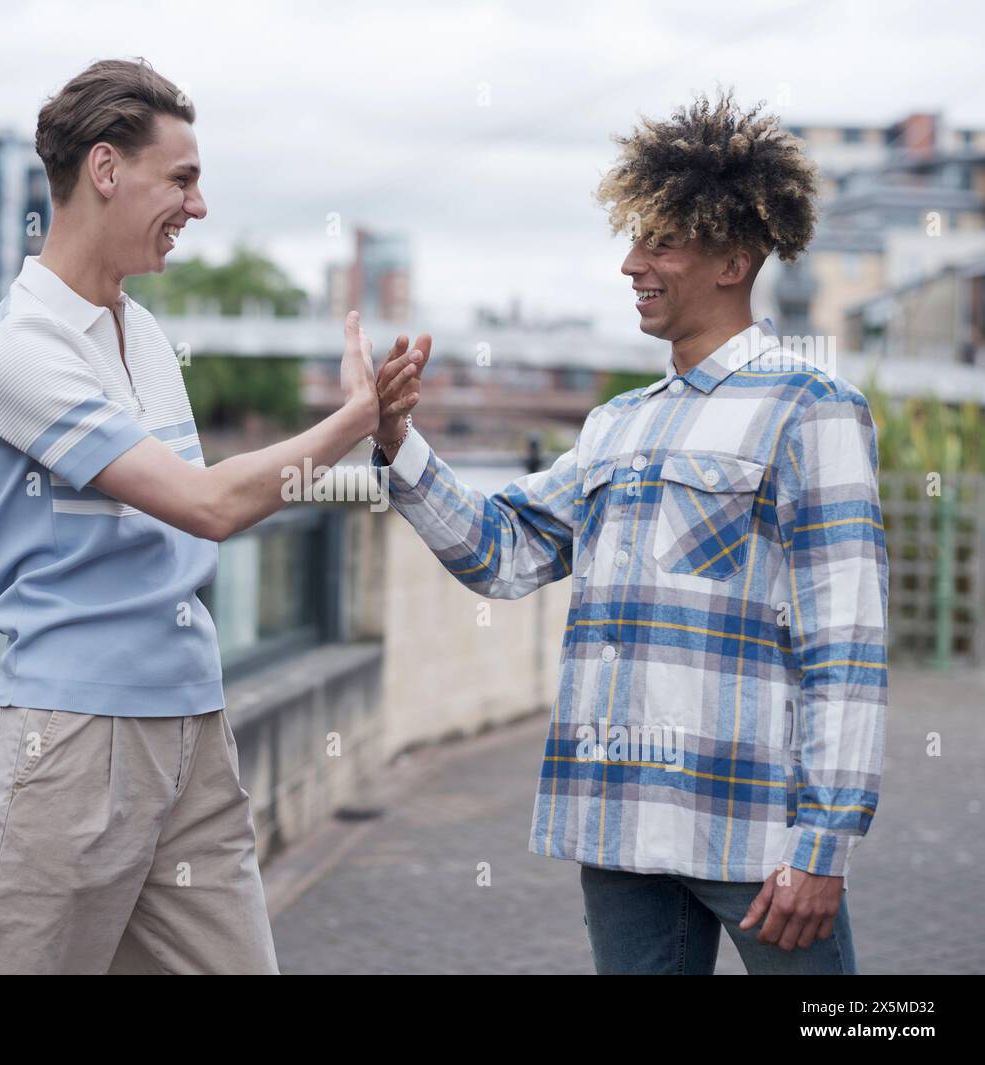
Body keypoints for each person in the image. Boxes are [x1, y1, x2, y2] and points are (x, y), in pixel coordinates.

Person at [371, 90, 888, 975]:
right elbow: (505, 552)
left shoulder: (814, 409)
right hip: (613, 824)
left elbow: (848, 642)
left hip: (755, 836)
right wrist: (396, 444)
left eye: (659, 241)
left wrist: (825, 843)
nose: (630, 264)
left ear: (734, 257)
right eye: (633, 238)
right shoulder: (615, 424)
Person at [0, 58, 417, 974]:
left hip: (191, 725)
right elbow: (205, 505)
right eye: (184, 179)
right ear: (107, 169)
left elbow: (212, 498)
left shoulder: (145, 332)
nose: (198, 208)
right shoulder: (18, 349)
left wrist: (362, 433)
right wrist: (352, 421)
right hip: (70, 739)